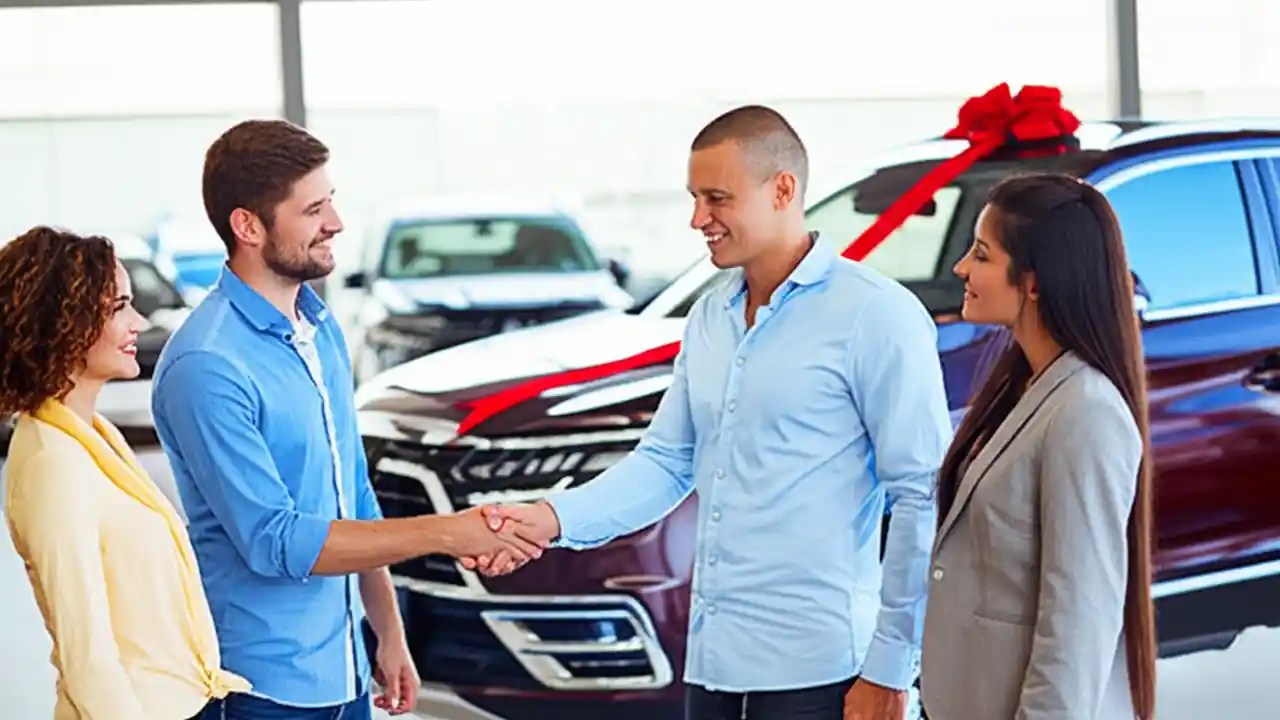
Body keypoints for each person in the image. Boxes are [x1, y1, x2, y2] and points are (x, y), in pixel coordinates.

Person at [472, 106, 953, 720]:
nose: (698, 219)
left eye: (717, 199)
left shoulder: (876, 314)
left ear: (783, 190)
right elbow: (666, 461)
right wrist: (546, 519)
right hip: (712, 667)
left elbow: (920, 494)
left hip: (824, 671)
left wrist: (891, 666)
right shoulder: (710, 315)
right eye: (695, 198)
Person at [149, 119, 543, 719]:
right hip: (258, 690)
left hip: (348, 671)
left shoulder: (319, 328)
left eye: (330, 201)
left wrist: (387, 630)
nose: (335, 222)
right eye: (313, 209)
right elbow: (275, 541)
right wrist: (448, 532)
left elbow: (354, 495)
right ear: (248, 226)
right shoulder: (206, 365)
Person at [920, 174, 1157, 719]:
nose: (961, 268)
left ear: (1033, 282)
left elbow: (1077, 618)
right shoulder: (1025, 385)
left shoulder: (1086, 411)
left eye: (981, 254)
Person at [1, 226, 251, 719]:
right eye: (119, 307)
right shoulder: (53, 463)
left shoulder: (93, 434)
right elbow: (88, 661)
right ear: (64, 321)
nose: (138, 322)